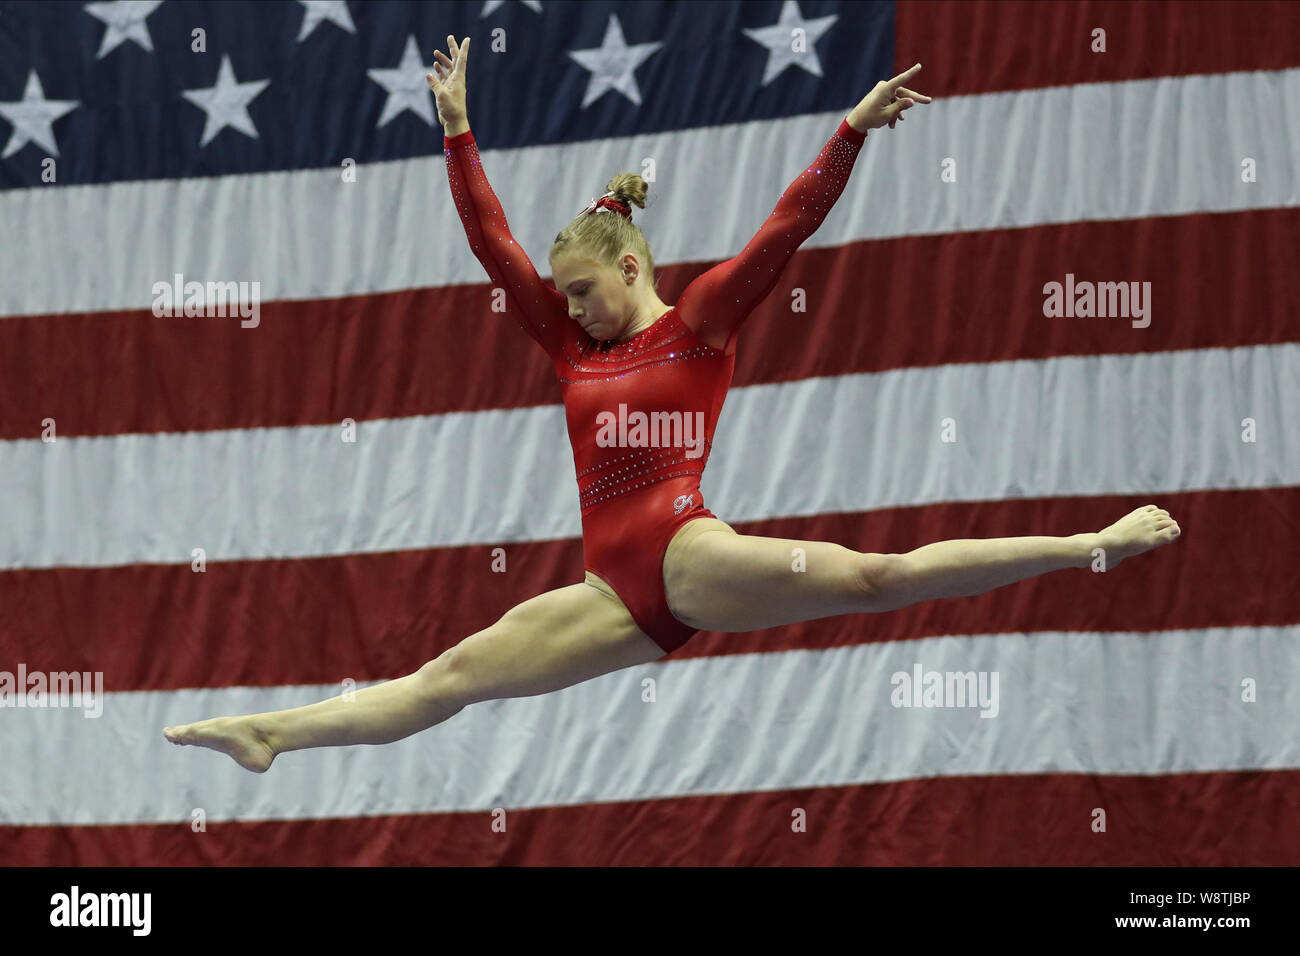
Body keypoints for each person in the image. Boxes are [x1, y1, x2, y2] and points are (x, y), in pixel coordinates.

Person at [163, 37, 1179, 772]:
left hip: (690, 552)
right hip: (612, 592)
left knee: (877, 577)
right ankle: (273, 733)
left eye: (582, 291)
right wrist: (459, 129)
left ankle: (1089, 540)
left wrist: (849, 133)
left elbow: (784, 229)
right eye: (561, 295)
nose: (567, 308)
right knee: (450, 675)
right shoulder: (566, 342)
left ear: (632, 264)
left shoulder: (698, 322)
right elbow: (493, 244)